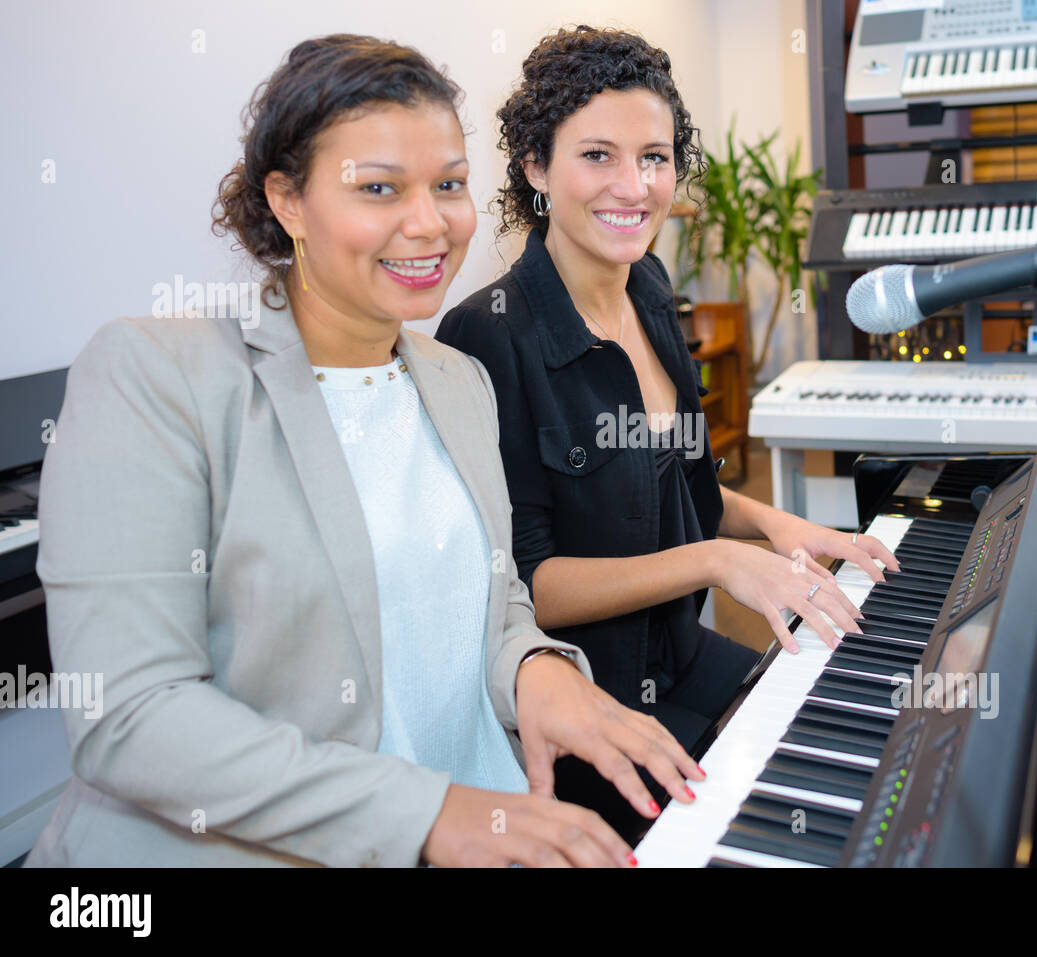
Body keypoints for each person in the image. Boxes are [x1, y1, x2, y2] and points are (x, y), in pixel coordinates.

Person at [25, 34, 702, 869]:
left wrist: (538, 669)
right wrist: (426, 814)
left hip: (495, 823)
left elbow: (495, 605)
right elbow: (130, 717)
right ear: (289, 202)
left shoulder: (457, 380)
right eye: (378, 188)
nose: (429, 223)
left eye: (449, 185)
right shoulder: (156, 375)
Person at [436, 25, 899, 838]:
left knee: (869, 750)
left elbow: (685, 485)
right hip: (587, 710)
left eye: (654, 156)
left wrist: (781, 525)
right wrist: (720, 560)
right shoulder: (487, 336)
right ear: (537, 168)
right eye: (598, 155)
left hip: (684, 656)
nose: (633, 185)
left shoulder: (650, 287)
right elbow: (529, 584)